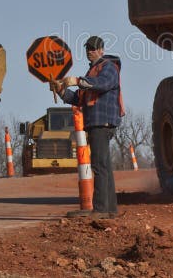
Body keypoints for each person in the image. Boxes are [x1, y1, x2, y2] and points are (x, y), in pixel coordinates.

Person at [51, 35, 124, 219]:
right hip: (95, 122)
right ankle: (109, 209)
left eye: (93, 48)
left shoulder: (108, 66)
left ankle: (100, 209)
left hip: (102, 121)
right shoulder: (92, 71)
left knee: (99, 166)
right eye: (87, 48)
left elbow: (102, 84)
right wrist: (61, 90)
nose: (89, 51)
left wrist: (76, 80)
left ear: (102, 50)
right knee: (103, 166)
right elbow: (78, 98)